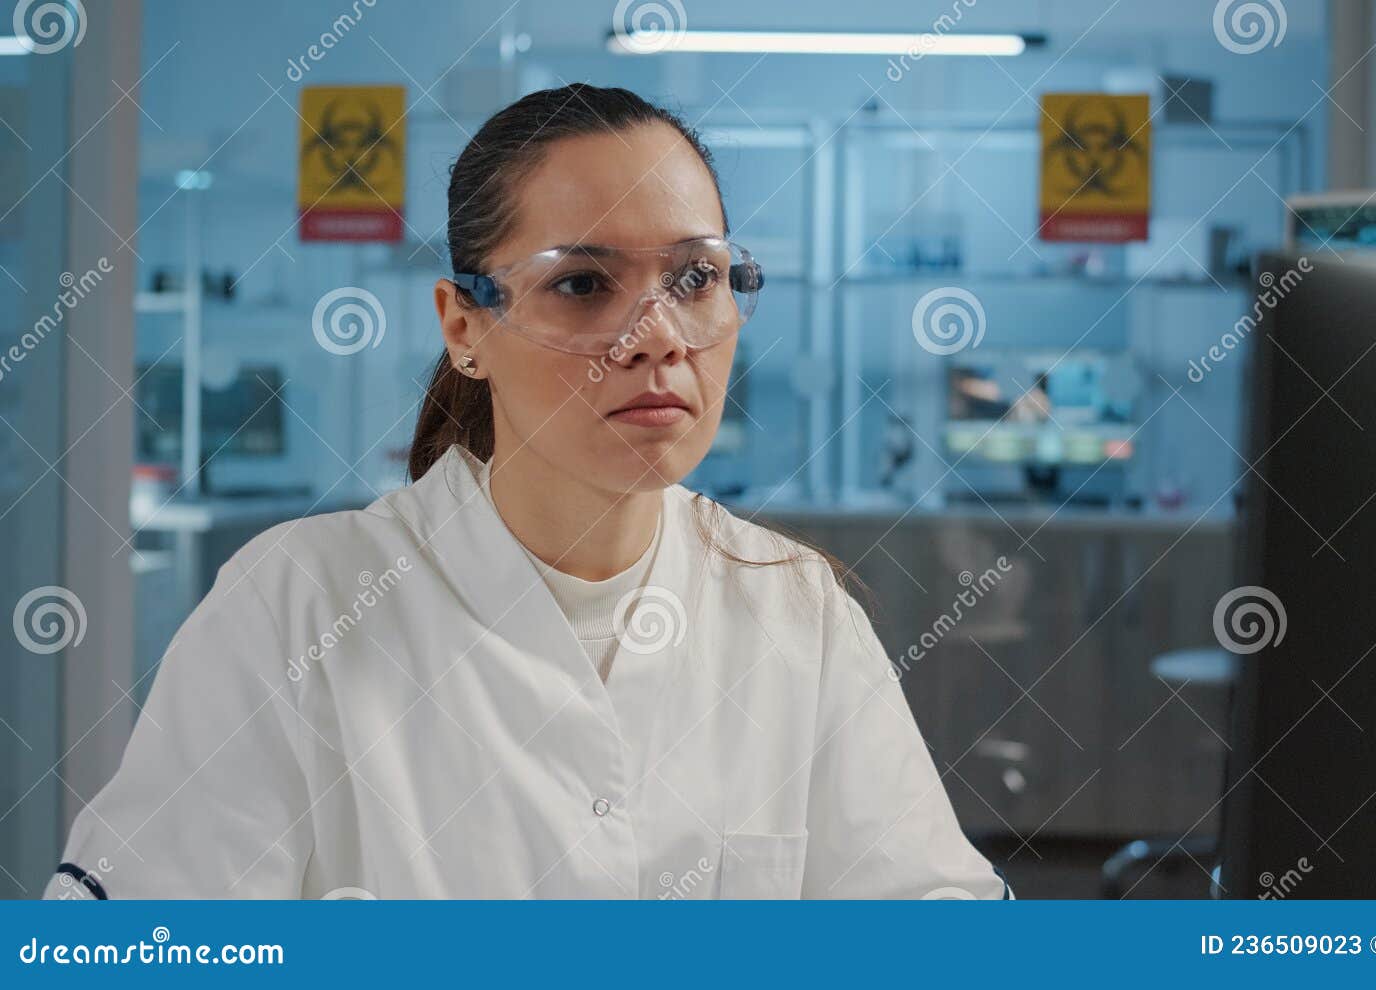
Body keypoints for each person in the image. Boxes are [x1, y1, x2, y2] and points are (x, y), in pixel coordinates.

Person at [49, 83, 1008, 900]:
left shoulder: (795, 608)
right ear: (464, 326)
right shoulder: (295, 609)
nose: (658, 335)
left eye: (696, 276)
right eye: (585, 284)